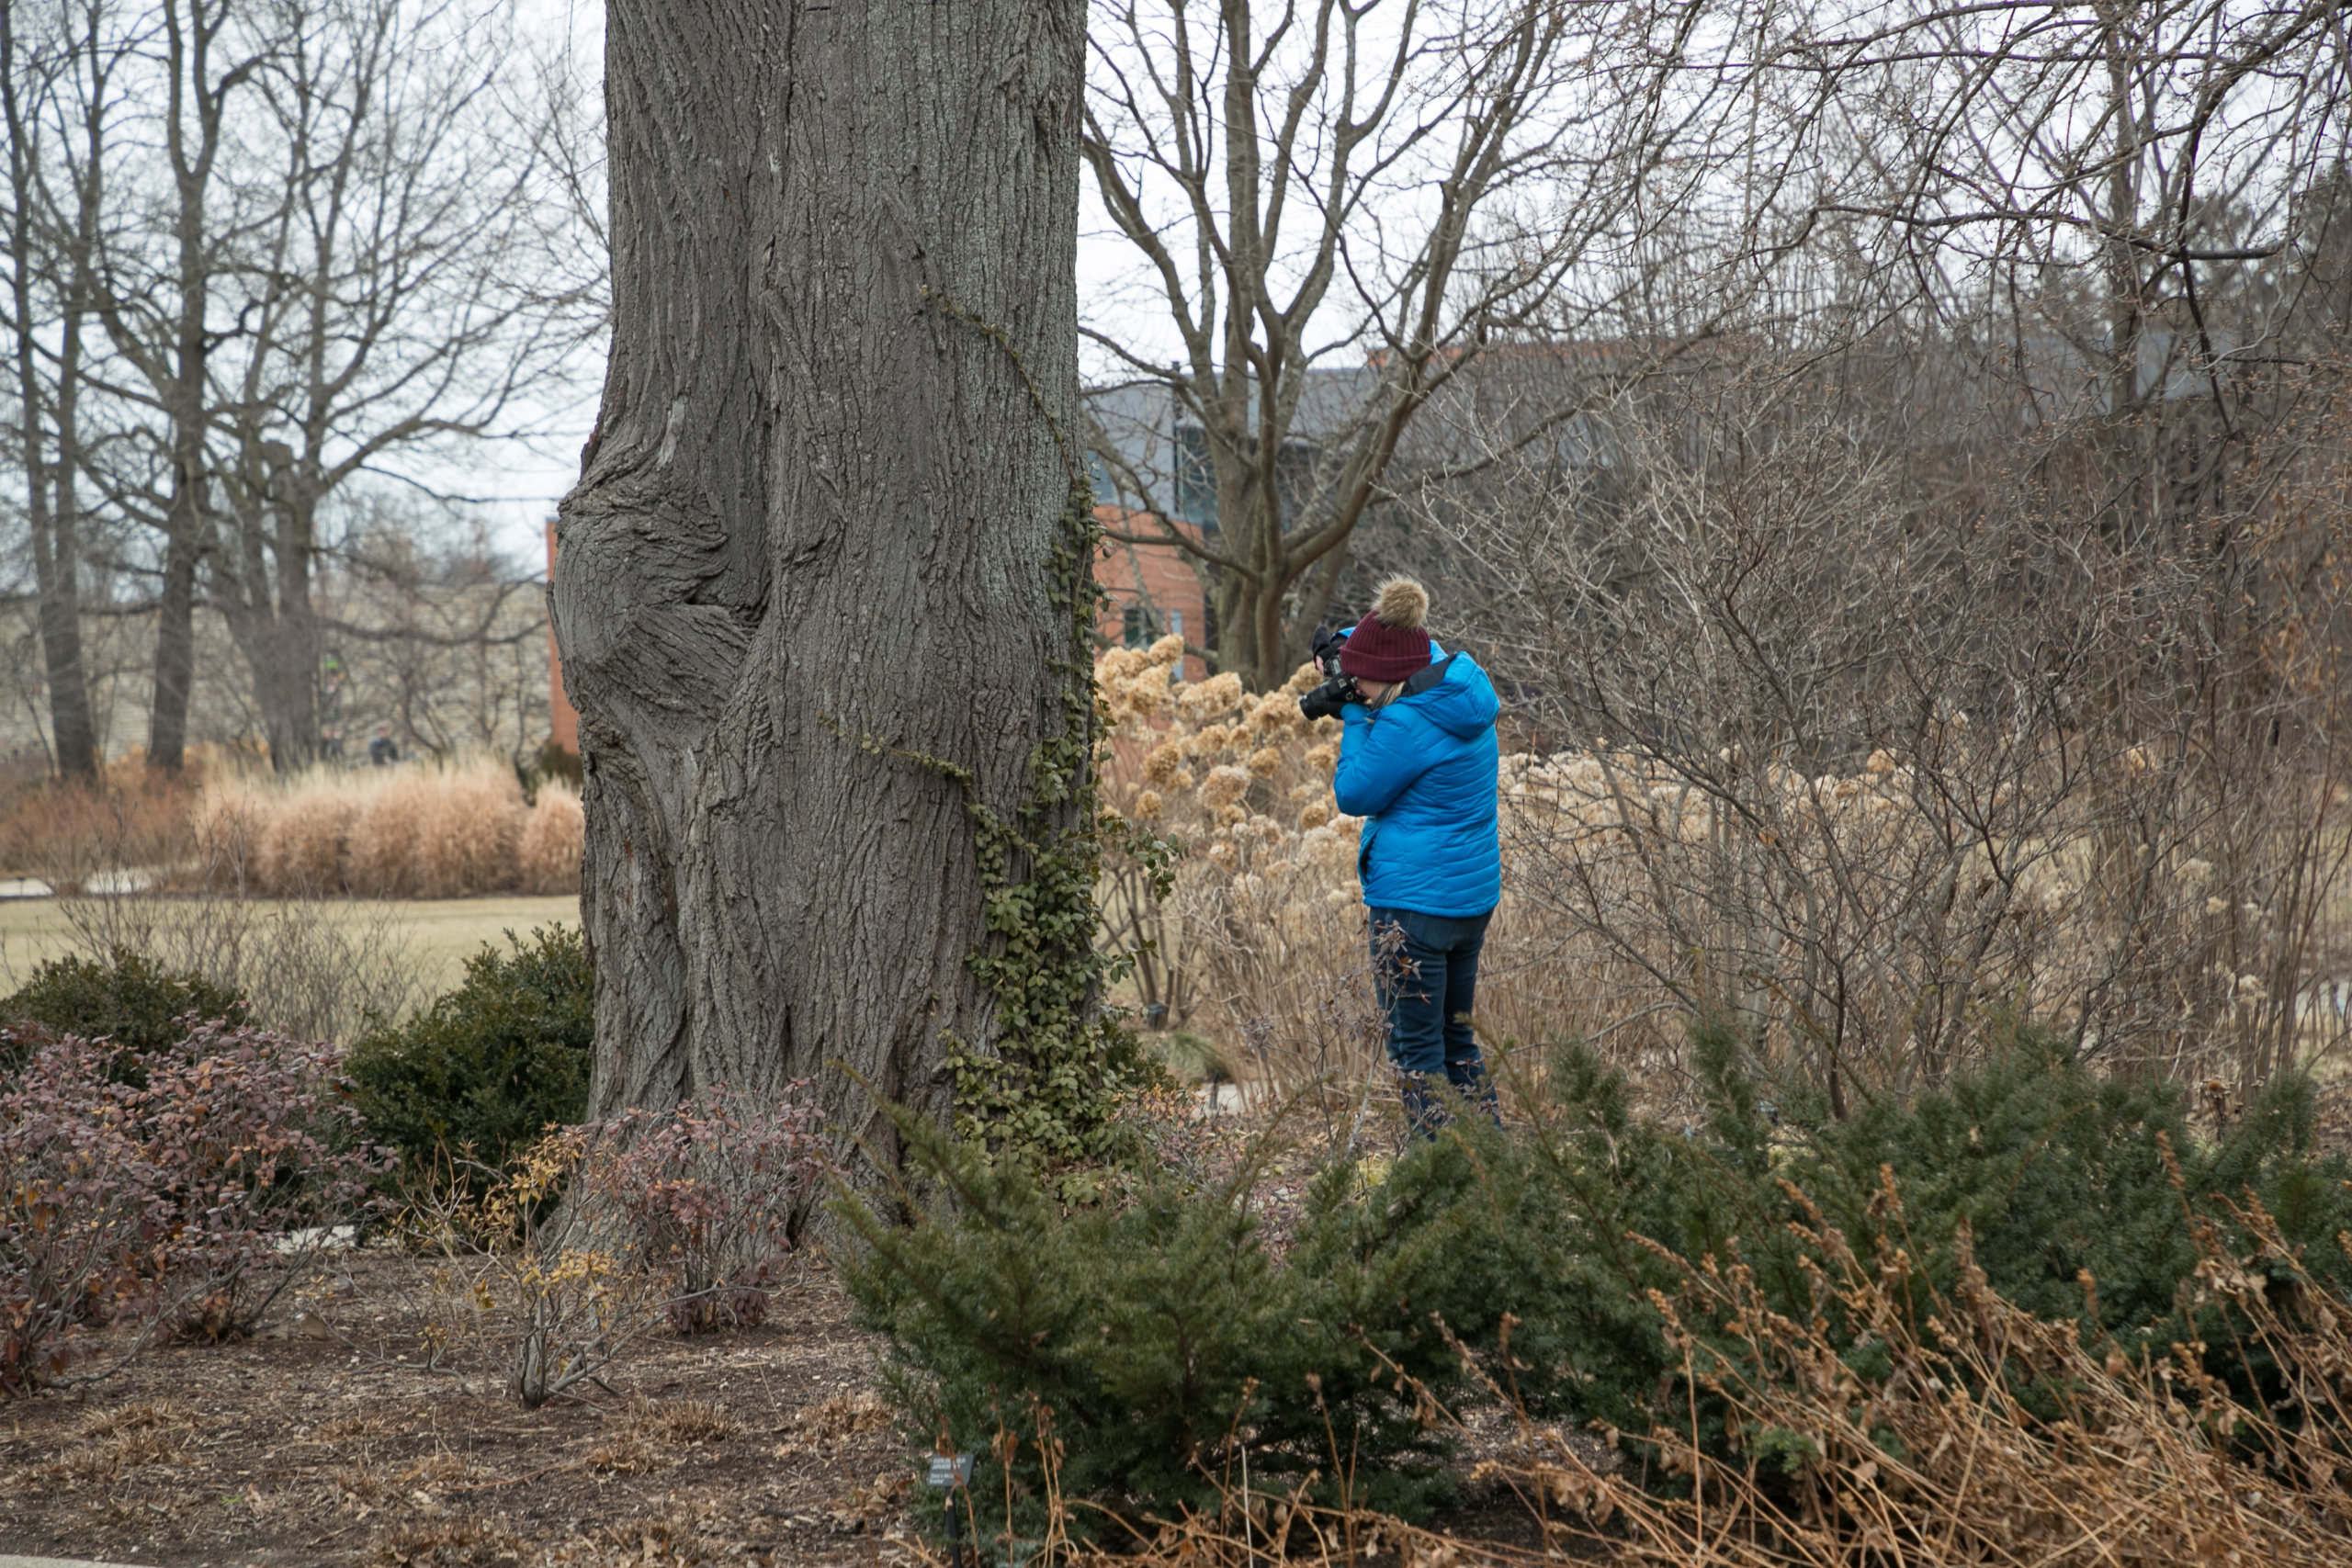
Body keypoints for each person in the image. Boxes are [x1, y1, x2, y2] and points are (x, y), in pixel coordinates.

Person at [1326, 577, 1501, 1134]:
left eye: (1361, 677)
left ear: (1392, 675)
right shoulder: (1460, 688)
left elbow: (1353, 792)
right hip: (1467, 902)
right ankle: (1497, 1177)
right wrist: (1347, 642)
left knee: (1415, 1051)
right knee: (1456, 1040)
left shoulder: (1405, 721)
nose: (1356, 684)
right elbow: (1408, 644)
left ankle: (1443, 1190)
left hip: (1413, 910)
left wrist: (1354, 714)